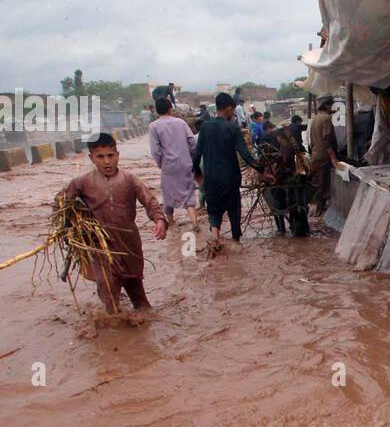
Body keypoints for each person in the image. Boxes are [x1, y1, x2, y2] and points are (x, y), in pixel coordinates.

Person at [60, 132, 167, 313]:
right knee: (108, 287)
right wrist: (70, 226)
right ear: (92, 158)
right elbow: (61, 203)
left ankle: (140, 332)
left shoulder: (130, 179)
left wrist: (160, 220)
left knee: (139, 299)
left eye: (110, 156)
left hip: (129, 244)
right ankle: (114, 331)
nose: (107, 161)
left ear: (117, 155)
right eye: (100, 157)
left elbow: (150, 201)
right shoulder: (82, 182)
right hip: (101, 246)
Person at [193, 91, 259, 247]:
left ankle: (215, 239)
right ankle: (236, 243)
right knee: (234, 212)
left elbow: (196, 155)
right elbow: (246, 155)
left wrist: (198, 174)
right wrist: (263, 170)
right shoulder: (232, 128)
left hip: (211, 180)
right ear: (229, 109)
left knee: (214, 212)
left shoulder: (205, 128)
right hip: (230, 179)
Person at [148, 97, 199, 229]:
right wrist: (192, 158)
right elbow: (192, 143)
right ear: (171, 108)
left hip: (168, 165)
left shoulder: (153, 126)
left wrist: (161, 164)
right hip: (185, 163)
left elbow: (155, 150)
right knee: (188, 193)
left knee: (168, 194)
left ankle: (171, 223)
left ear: (156, 111)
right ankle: (195, 223)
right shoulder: (181, 123)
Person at [308, 96, 339, 215]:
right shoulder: (326, 118)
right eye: (331, 105)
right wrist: (333, 156)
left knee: (318, 182)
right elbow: (326, 139)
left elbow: (311, 139)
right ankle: (319, 210)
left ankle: (318, 208)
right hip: (324, 155)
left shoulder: (316, 118)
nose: (331, 108)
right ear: (327, 105)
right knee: (324, 183)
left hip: (316, 154)